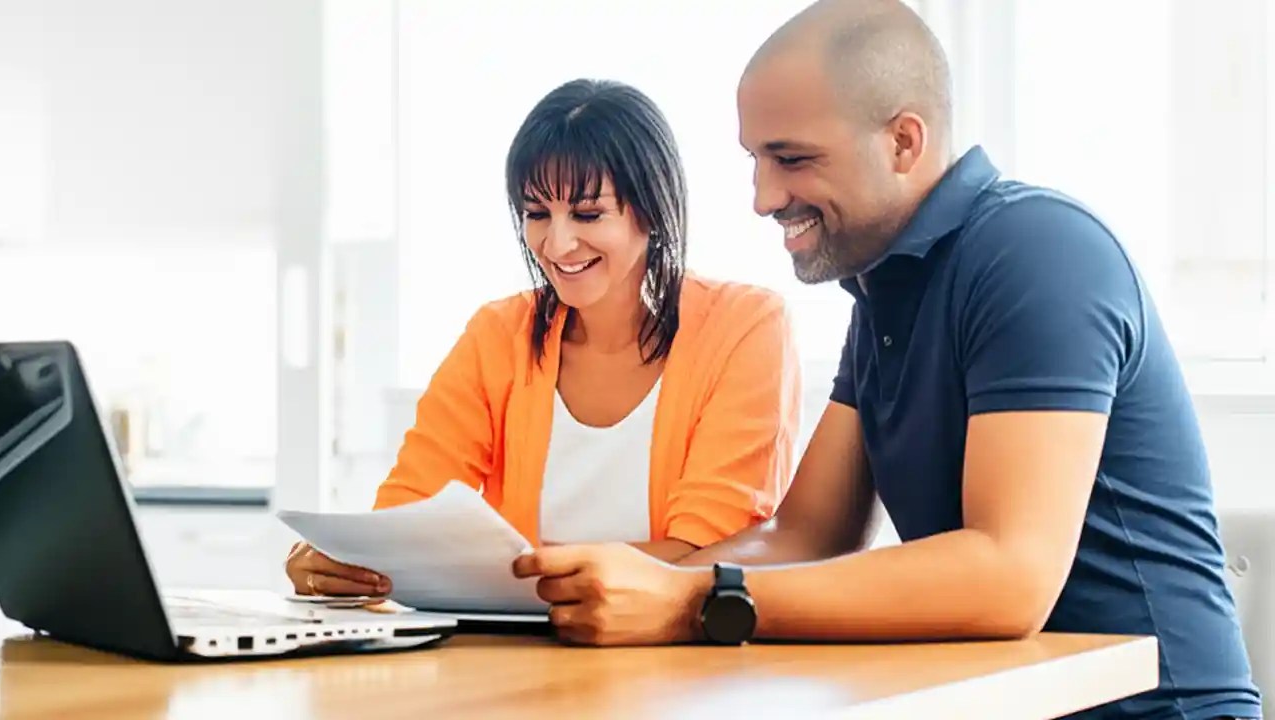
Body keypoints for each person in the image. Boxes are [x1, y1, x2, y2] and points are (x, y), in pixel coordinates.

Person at [510, 2, 1262, 718]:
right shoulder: (885, 290)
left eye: (792, 159)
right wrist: (603, 582)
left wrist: (696, 599)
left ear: (904, 141)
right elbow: (807, 534)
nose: (763, 197)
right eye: (755, 160)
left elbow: (1010, 575)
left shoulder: (1036, 252)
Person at [285, 79, 801, 598]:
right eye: (537, 215)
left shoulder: (746, 327)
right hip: (524, 648)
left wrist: (525, 577)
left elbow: (711, 549)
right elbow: (410, 516)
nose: (557, 244)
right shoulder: (498, 335)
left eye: (587, 214)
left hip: (683, 657)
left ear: (651, 210)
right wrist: (347, 564)